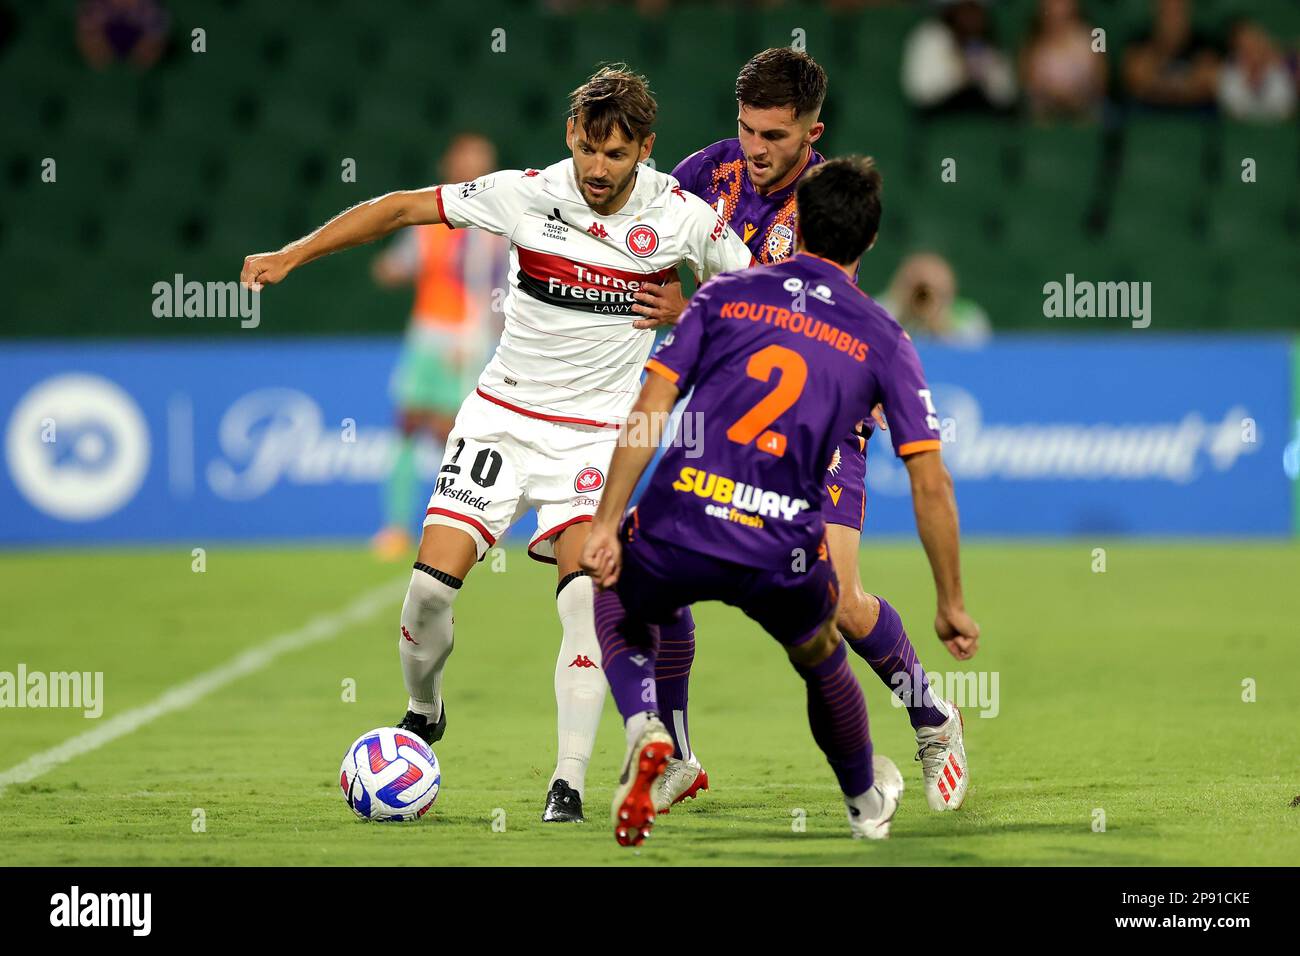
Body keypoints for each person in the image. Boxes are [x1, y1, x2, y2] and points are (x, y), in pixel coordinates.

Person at [240, 66, 753, 824]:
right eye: (588, 149)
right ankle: (425, 708)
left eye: (617, 154)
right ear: (569, 138)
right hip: (500, 421)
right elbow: (398, 210)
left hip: (595, 440)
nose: (598, 169)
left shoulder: (682, 217)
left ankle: (568, 784)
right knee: (427, 593)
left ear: (646, 149)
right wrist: (293, 253)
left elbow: (760, 297)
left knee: (584, 604)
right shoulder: (526, 192)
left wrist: (690, 303)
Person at [581, 157, 981, 846]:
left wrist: (607, 520)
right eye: (751, 128)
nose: (760, 145)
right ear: (871, 240)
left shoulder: (735, 297)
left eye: (778, 132)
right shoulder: (880, 337)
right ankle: (820, 787)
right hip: (778, 533)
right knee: (813, 645)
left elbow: (652, 406)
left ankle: (931, 716)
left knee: (840, 605)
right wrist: (951, 600)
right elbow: (932, 480)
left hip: (739, 485)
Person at [369, 133, 507, 561]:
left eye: (480, 161)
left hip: (466, 341)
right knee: (407, 424)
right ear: (448, 164)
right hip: (426, 335)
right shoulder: (429, 220)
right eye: (465, 159)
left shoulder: (494, 227)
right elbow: (392, 269)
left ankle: (459, 527)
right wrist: (392, 267)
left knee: (453, 434)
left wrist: (489, 339)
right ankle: (394, 527)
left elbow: (502, 291)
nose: (471, 168)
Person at [902, 0, 1018, 115]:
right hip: (941, 120)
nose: (971, 18)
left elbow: (1006, 95)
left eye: (975, 10)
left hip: (984, 121)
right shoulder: (931, 37)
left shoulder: (990, 41)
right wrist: (959, 72)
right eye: (965, 10)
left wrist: (985, 74)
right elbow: (922, 92)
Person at [1123, 0, 1220, 111]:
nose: (1172, 18)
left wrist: (1159, 85)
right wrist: (1185, 85)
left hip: (1194, 118)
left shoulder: (1204, 45)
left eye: (1177, 10)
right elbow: (1137, 80)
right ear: (1156, 10)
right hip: (1147, 117)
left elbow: (1208, 83)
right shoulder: (1140, 42)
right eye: (1166, 11)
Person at [1020, 0, 1107, 122]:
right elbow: (1028, 82)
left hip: (1084, 107)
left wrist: (1077, 98)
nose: (1058, 8)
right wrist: (1055, 97)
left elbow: (1101, 80)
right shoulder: (1033, 41)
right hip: (1046, 110)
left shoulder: (1095, 36)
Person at [879, 252, 992, 346]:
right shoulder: (880, 308)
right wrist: (902, 319)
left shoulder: (968, 316)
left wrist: (942, 328)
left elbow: (976, 354)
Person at [1217, 18, 1296, 122]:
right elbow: (1233, 109)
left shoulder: (1280, 69)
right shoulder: (1229, 71)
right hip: (1238, 134)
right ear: (1236, 47)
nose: (1252, 49)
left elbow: (1284, 108)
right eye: (1245, 45)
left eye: (1255, 42)